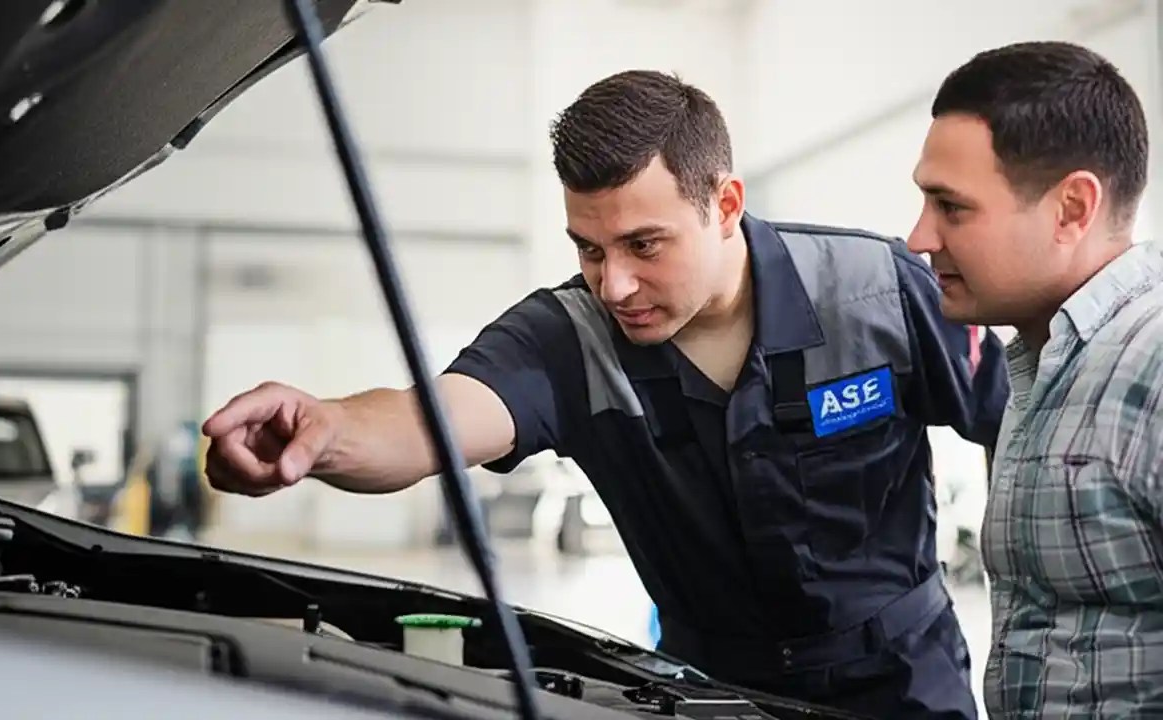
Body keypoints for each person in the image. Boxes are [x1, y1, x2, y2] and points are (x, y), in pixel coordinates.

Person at [203, 69, 1009, 718]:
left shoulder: (876, 294)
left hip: (902, 686)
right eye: (588, 249)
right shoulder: (569, 336)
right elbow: (433, 418)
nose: (614, 283)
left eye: (643, 244)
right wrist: (327, 430)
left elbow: (1018, 430)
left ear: (725, 205)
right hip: (711, 693)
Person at [908, 40, 1163, 719]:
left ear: (1072, 208)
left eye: (951, 208)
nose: (918, 238)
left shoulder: (1153, 368)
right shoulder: (1043, 364)